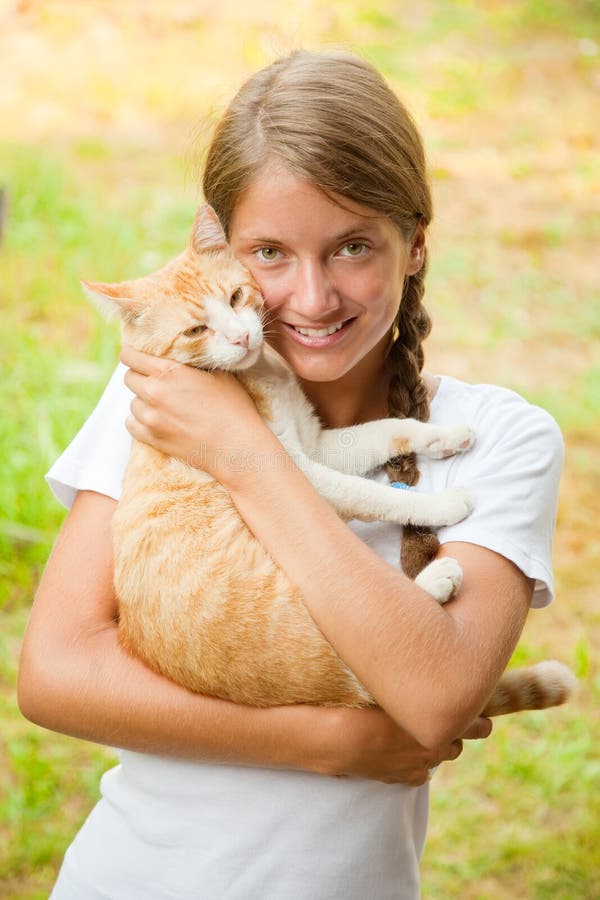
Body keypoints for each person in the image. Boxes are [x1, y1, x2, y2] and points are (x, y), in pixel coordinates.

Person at [18, 50, 563, 899]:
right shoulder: (168, 391)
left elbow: (435, 696)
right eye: (268, 253)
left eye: (352, 247)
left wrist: (244, 456)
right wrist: (325, 742)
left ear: (416, 245)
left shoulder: (501, 436)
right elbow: (54, 672)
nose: (310, 299)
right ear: (223, 248)